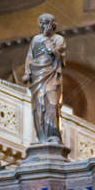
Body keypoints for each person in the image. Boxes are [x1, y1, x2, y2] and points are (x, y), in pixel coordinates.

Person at [25, 13, 65, 142]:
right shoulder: (36, 39)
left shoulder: (59, 39)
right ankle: (42, 136)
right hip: (37, 76)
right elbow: (30, 57)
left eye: (46, 23)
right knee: (38, 105)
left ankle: (53, 135)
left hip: (52, 75)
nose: (43, 26)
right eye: (41, 23)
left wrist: (50, 44)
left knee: (52, 104)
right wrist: (27, 71)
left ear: (53, 25)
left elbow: (61, 58)